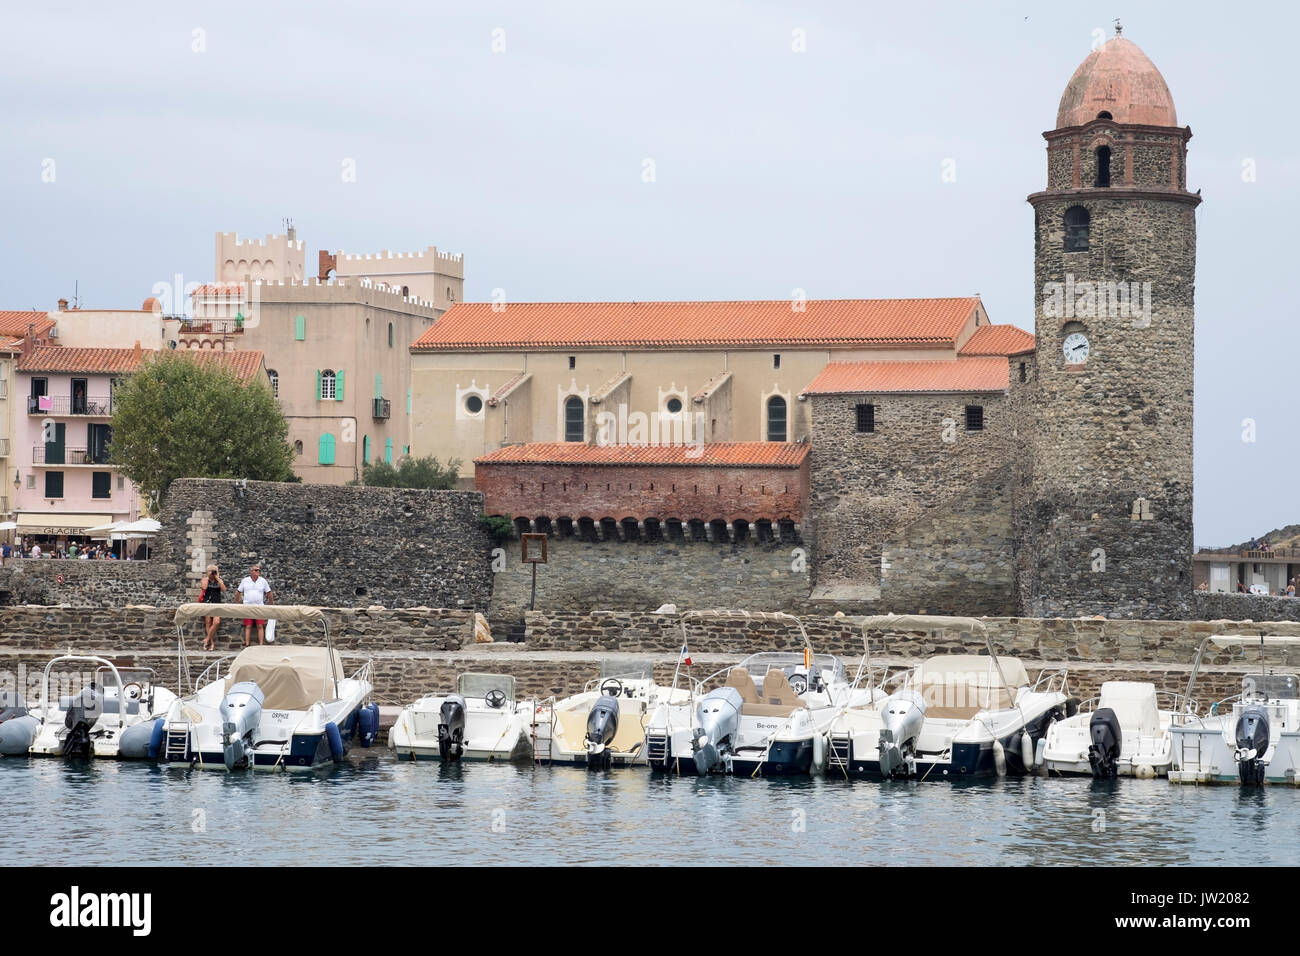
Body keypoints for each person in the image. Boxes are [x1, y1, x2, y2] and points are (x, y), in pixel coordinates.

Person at [236, 564, 274, 646]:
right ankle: (247, 644)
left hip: (259, 606)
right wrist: (236, 603)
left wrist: (271, 604)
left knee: (260, 626)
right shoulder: (245, 580)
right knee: (248, 626)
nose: (258, 571)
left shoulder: (263, 581)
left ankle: (260, 644)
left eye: (259, 570)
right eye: (256, 570)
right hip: (247, 607)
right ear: (251, 572)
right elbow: (238, 592)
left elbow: (269, 593)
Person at [198, 564, 227, 650]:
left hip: (216, 603)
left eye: (214, 570)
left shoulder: (219, 580)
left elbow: (224, 589)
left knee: (216, 622)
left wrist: (217, 577)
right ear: (207, 572)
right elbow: (204, 587)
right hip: (207, 603)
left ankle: (206, 639)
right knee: (208, 622)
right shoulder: (204, 580)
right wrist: (208, 577)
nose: (212, 572)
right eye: (210, 570)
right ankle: (211, 643)